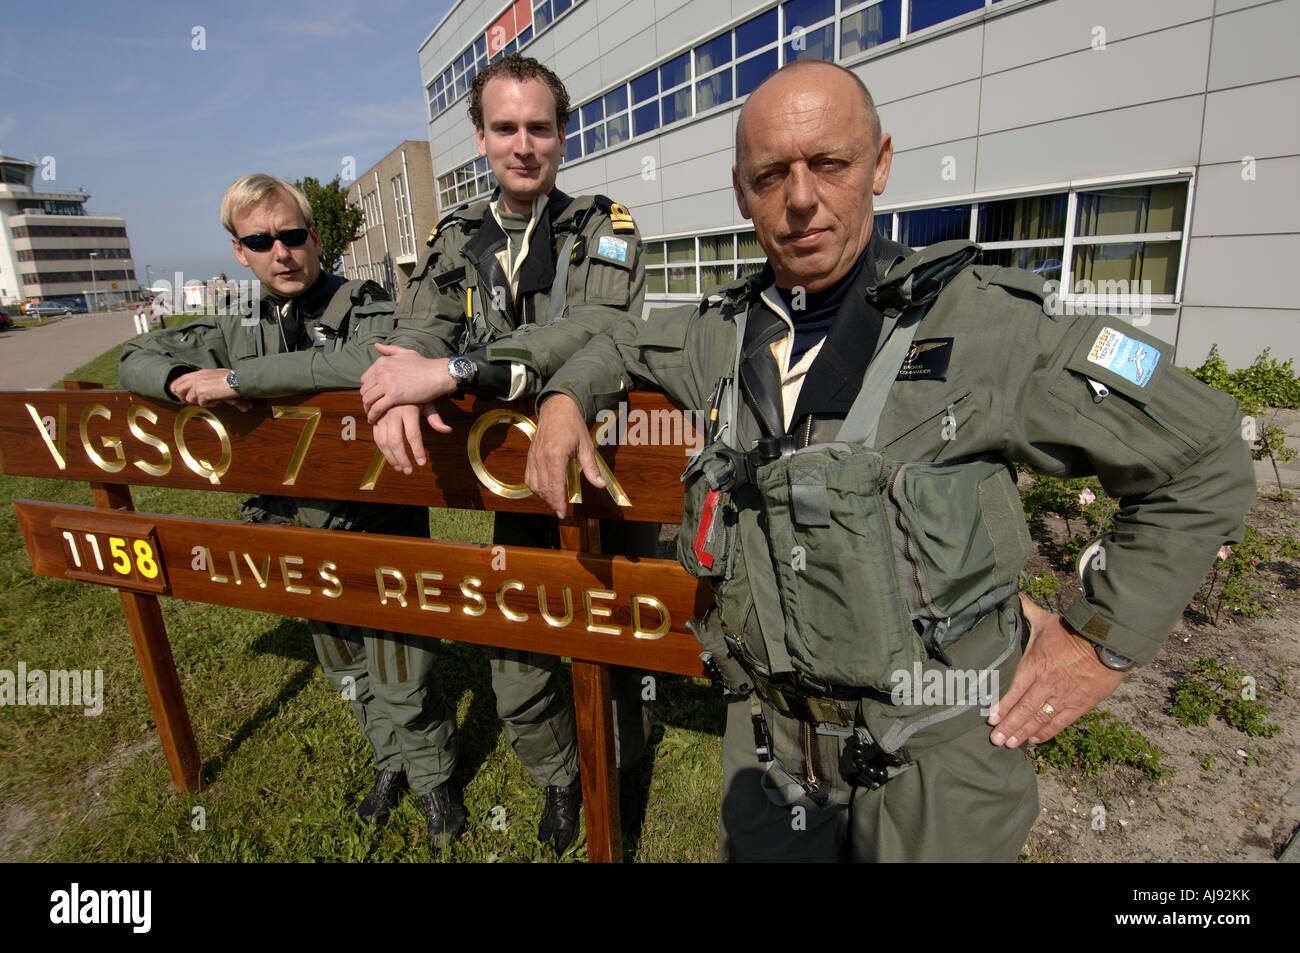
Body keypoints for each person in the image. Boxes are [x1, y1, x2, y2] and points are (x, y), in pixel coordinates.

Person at [523, 60, 1257, 862]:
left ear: (879, 164)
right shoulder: (721, 334)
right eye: (771, 175)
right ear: (742, 193)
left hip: (934, 766)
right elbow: (622, 339)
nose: (800, 198)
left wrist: (1098, 641)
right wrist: (566, 398)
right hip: (772, 754)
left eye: (829, 164)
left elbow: (1205, 449)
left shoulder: (982, 327)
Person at [359, 54, 655, 855]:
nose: (523, 144)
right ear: (481, 139)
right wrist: (400, 376)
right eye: (504, 128)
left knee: (621, 649)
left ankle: (613, 776)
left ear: (563, 134)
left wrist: (459, 369)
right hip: (510, 484)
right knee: (514, 661)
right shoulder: (455, 234)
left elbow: (592, 327)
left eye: (539, 127)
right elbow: (422, 322)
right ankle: (562, 777)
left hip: (606, 477)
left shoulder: (604, 224)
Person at [118, 174, 466, 850]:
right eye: (260, 240)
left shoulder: (359, 300)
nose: (281, 252)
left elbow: (364, 359)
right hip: (293, 531)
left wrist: (242, 380)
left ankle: (434, 781)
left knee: (400, 669)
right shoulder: (241, 318)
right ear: (239, 250)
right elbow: (138, 355)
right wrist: (174, 383)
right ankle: (389, 763)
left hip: (374, 524)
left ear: (315, 238)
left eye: (293, 235)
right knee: (344, 665)